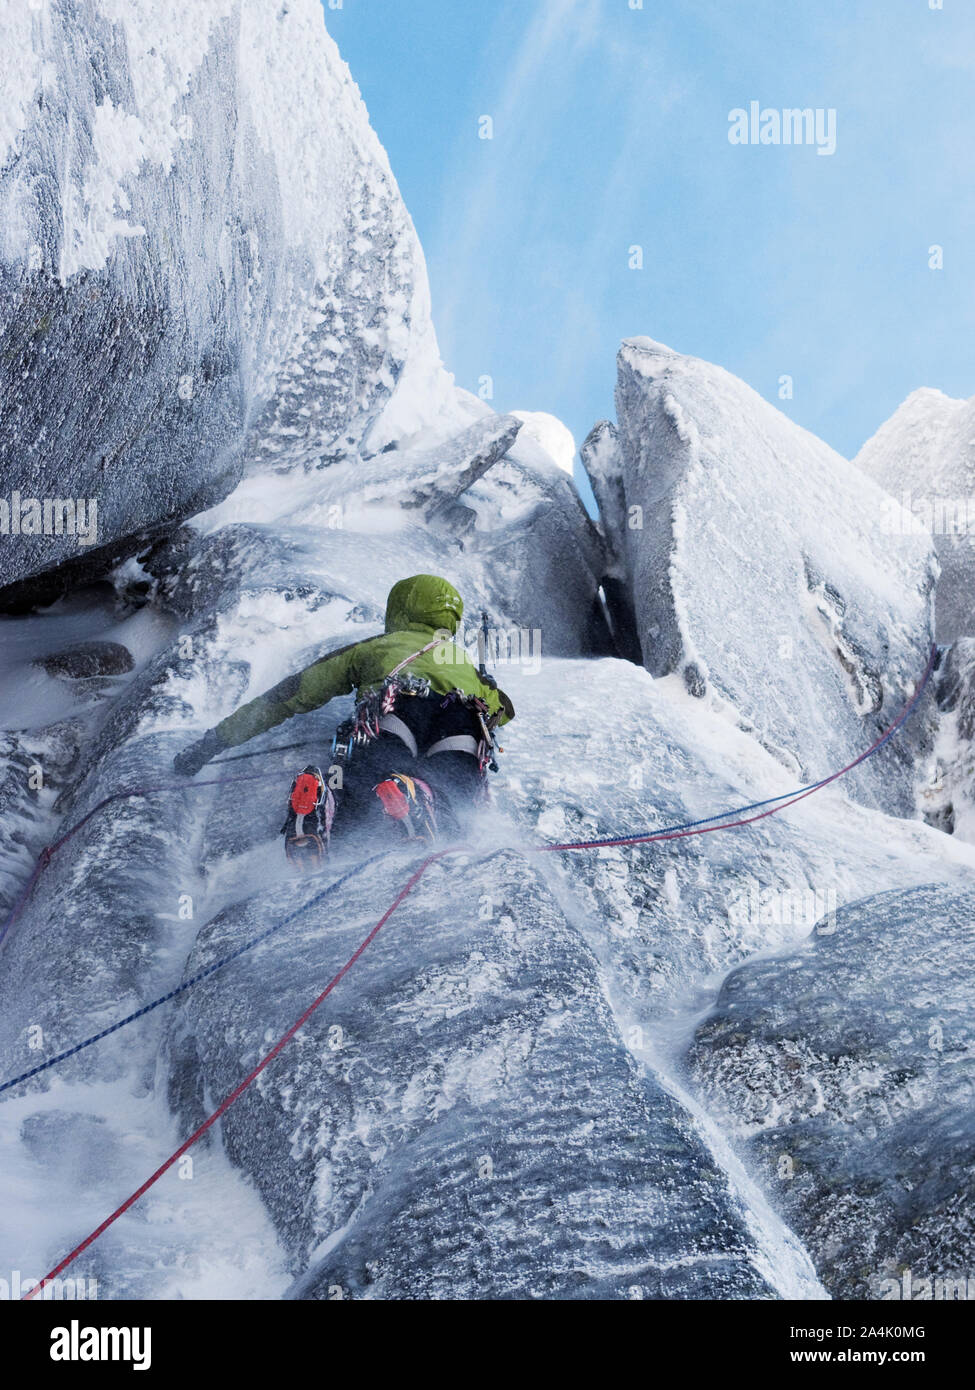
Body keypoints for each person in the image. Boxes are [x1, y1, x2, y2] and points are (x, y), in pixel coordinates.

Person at [173, 574, 514, 851]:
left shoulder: (376, 647)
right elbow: (503, 710)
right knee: (453, 788)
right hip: (464, 724)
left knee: (367, 781)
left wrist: (211, 743)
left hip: (395, 710)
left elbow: (294, 693)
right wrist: (486, 685)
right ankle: (419, 797)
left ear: (400, 609)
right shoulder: (464, 663)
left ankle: (327, 807)